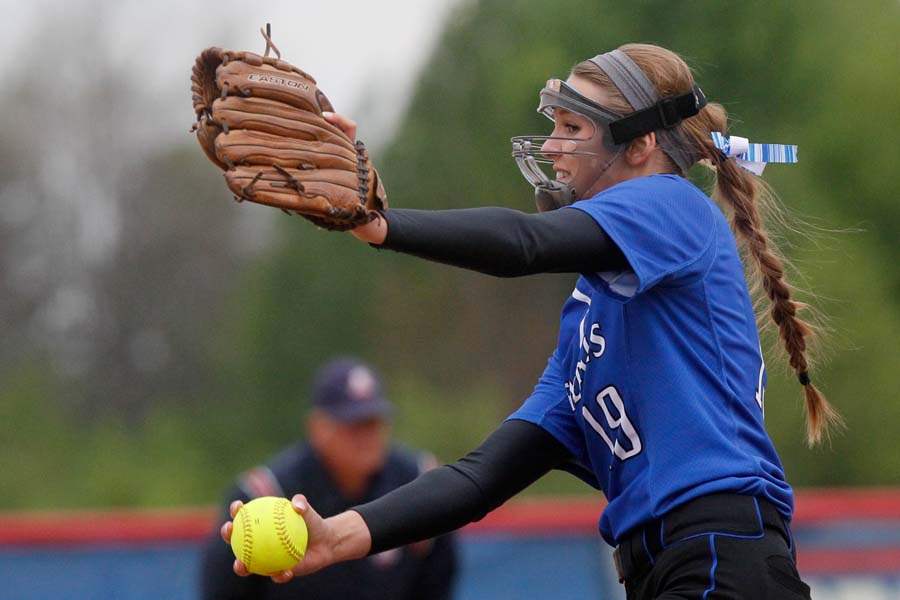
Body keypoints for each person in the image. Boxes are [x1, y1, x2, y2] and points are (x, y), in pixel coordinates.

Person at [220, 44, 842, 599]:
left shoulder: (674, 206)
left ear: (640, 145)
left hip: (718, 555)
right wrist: (337, 536)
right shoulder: (588, 321)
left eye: (573, 127)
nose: (550, 146)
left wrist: (380, 223)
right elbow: (480, 476)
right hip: (678, 567)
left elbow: (525, 244)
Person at [200, 357, 457, 600]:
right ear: (317, 427)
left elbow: (436, 585)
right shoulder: (265, 493)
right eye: (354, 424)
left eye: (374, 422)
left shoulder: (417, 482)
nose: (367, 436)